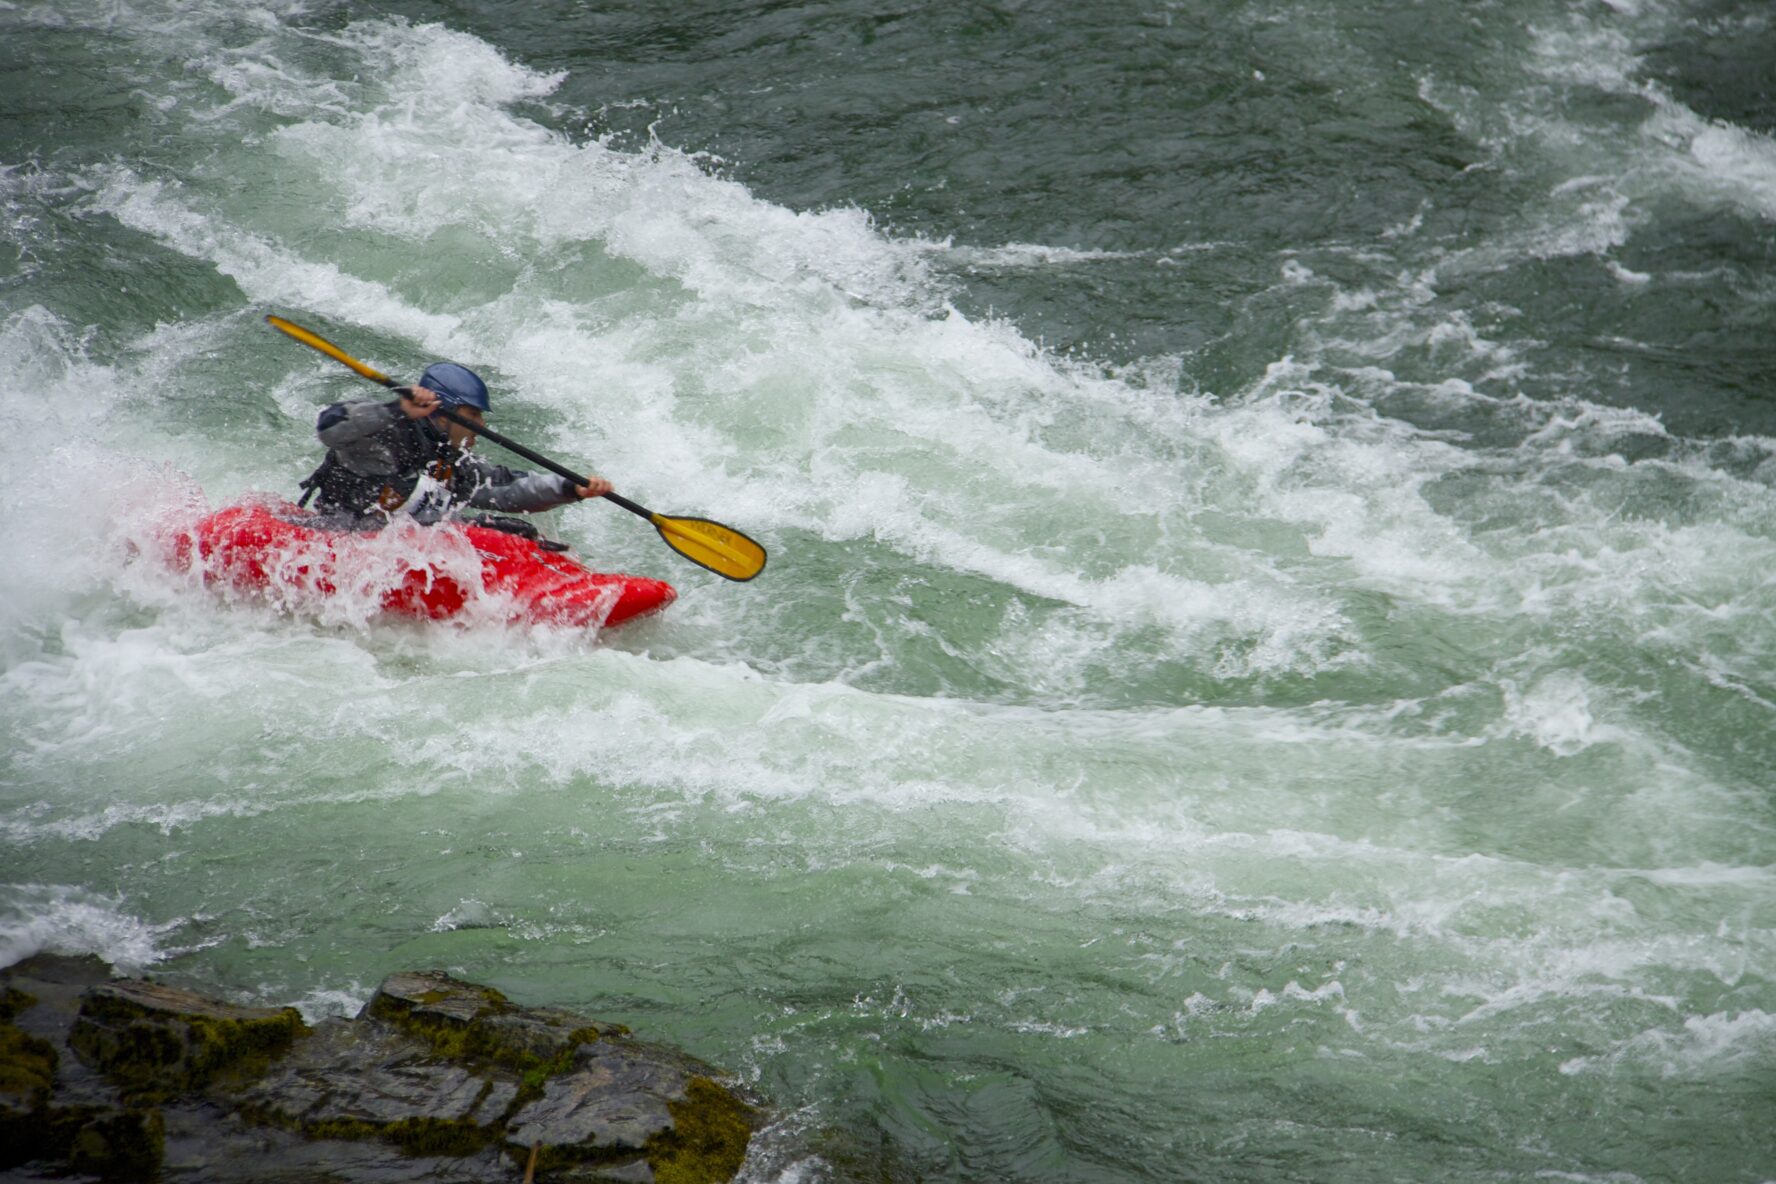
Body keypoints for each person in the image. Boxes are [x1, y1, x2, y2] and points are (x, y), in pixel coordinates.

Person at [298, 362, 612, 525]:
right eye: (472, 414)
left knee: (507, 528)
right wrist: (396, 409)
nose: (481, 425)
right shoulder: (385, 434)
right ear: (444, 414)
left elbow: (505, 489)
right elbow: (330, 426)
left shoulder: (451, 461)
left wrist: (571, 488)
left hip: (399, 545)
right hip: (340, 534)